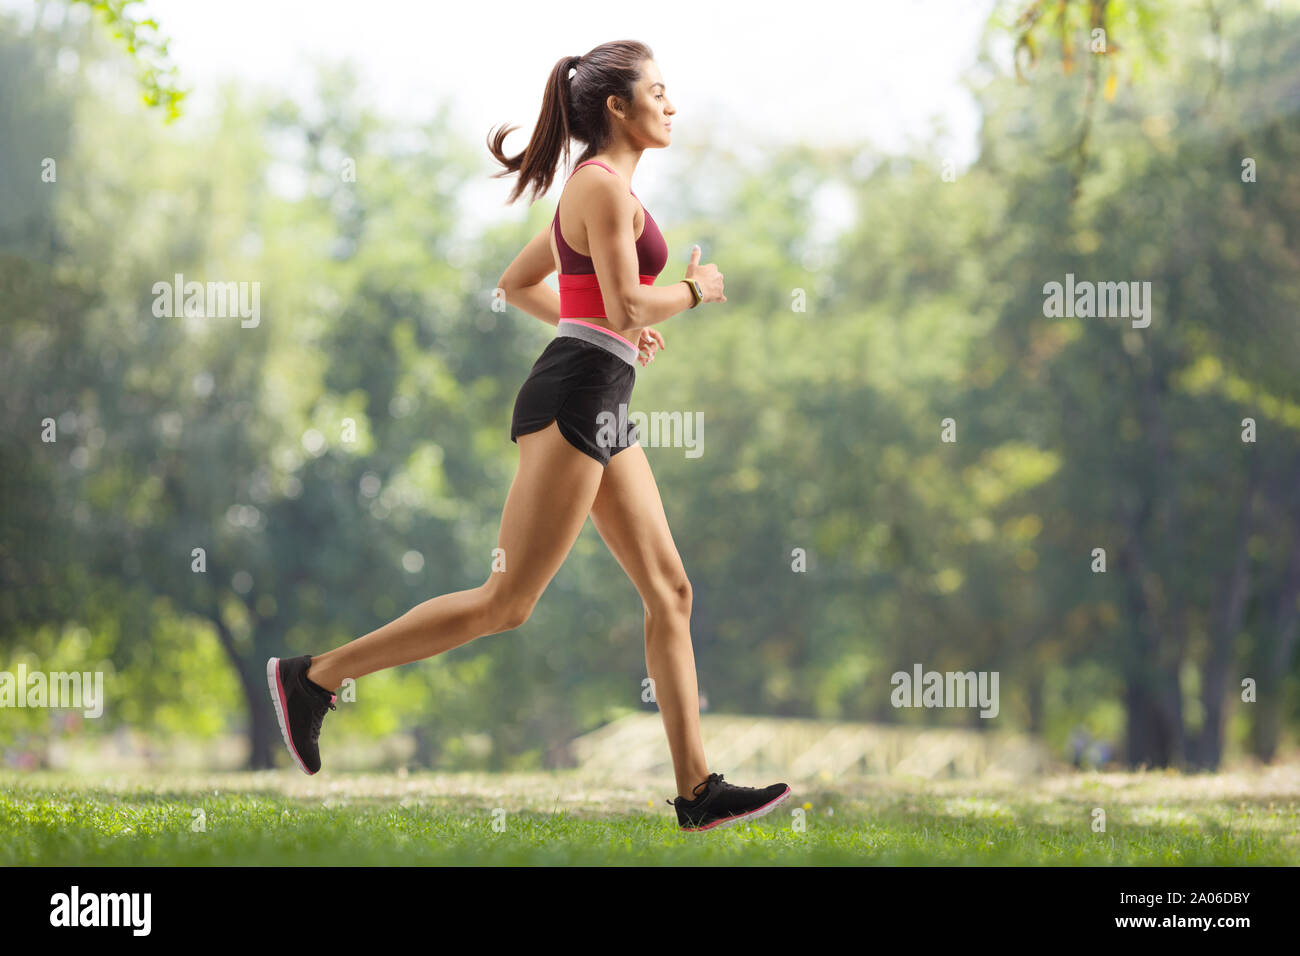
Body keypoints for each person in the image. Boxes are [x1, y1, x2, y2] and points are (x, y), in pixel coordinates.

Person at [268, 39, 790, 833]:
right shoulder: (602, 190)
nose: (671, 105)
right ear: (618, 106)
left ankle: (697, 791)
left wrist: (619, 329)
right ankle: (316, 677)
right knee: (506, 602)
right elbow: (623, 304)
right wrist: (692, 290)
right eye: (659, 91)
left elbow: (523, 287)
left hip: (602, 391)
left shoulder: (600, 190)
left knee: (670, 592)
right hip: (574, 398)